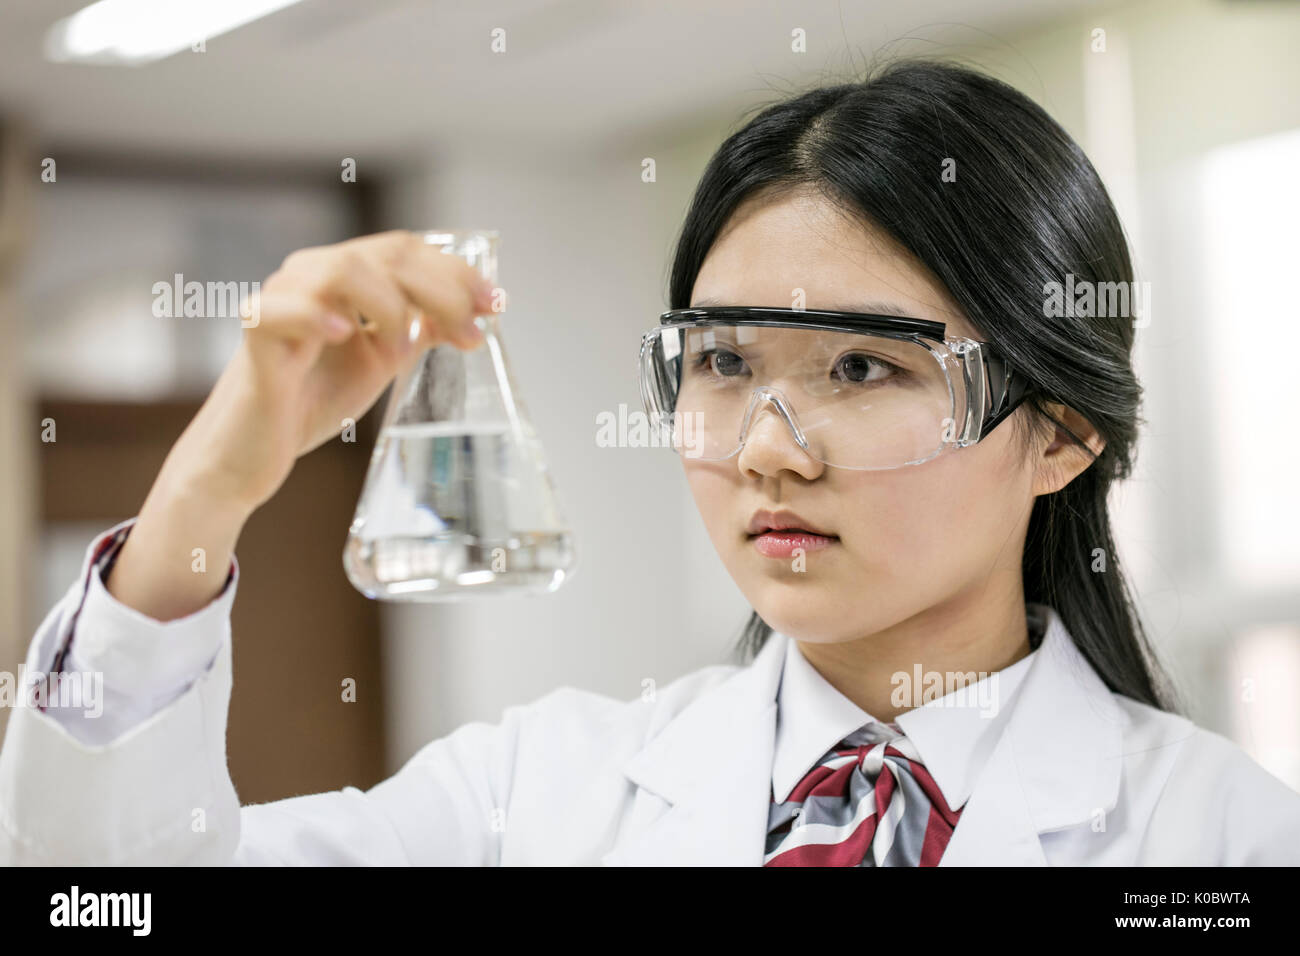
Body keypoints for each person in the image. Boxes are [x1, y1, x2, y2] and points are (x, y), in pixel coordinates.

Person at [2, 59, 1298, 866]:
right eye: (723, 363)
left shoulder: (1222, 845)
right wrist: (213, 485)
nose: (766, 449)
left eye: (863, 369)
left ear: (1061, 430)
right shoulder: (534, 797)